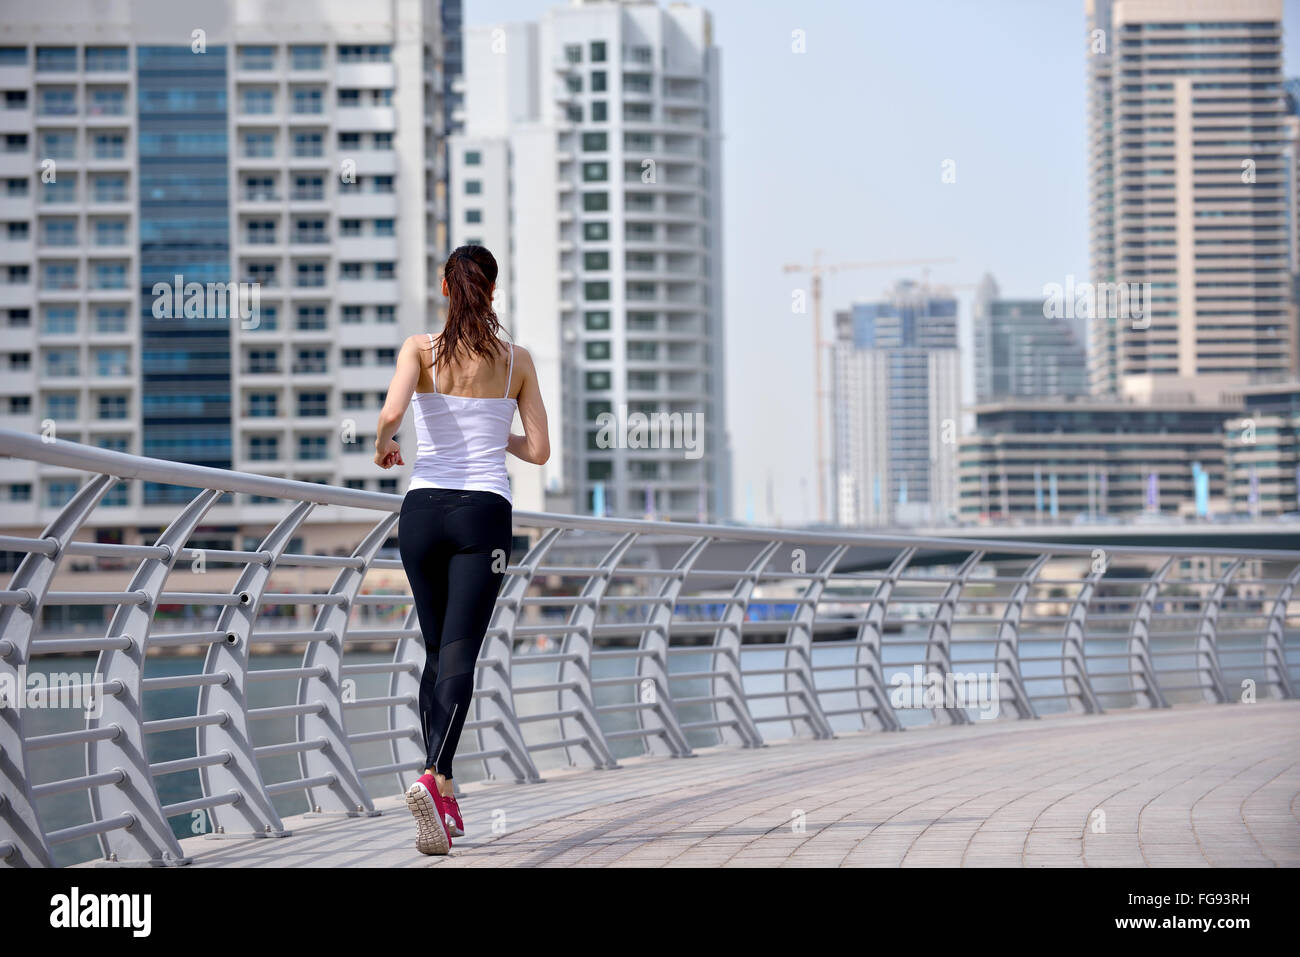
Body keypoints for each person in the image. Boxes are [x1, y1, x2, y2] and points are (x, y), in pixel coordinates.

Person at [373, 244, 549, 855]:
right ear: (492, 292)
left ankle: (441, 790)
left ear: (446, 287)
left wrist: (383, 448)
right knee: (461, 654)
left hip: (421, 513)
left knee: (435, 650)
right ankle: (433, 774)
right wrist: (493, 434)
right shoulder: (515, 360)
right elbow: (539, 451)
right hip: (483, 515)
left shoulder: (419, 349)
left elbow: (392, 412)